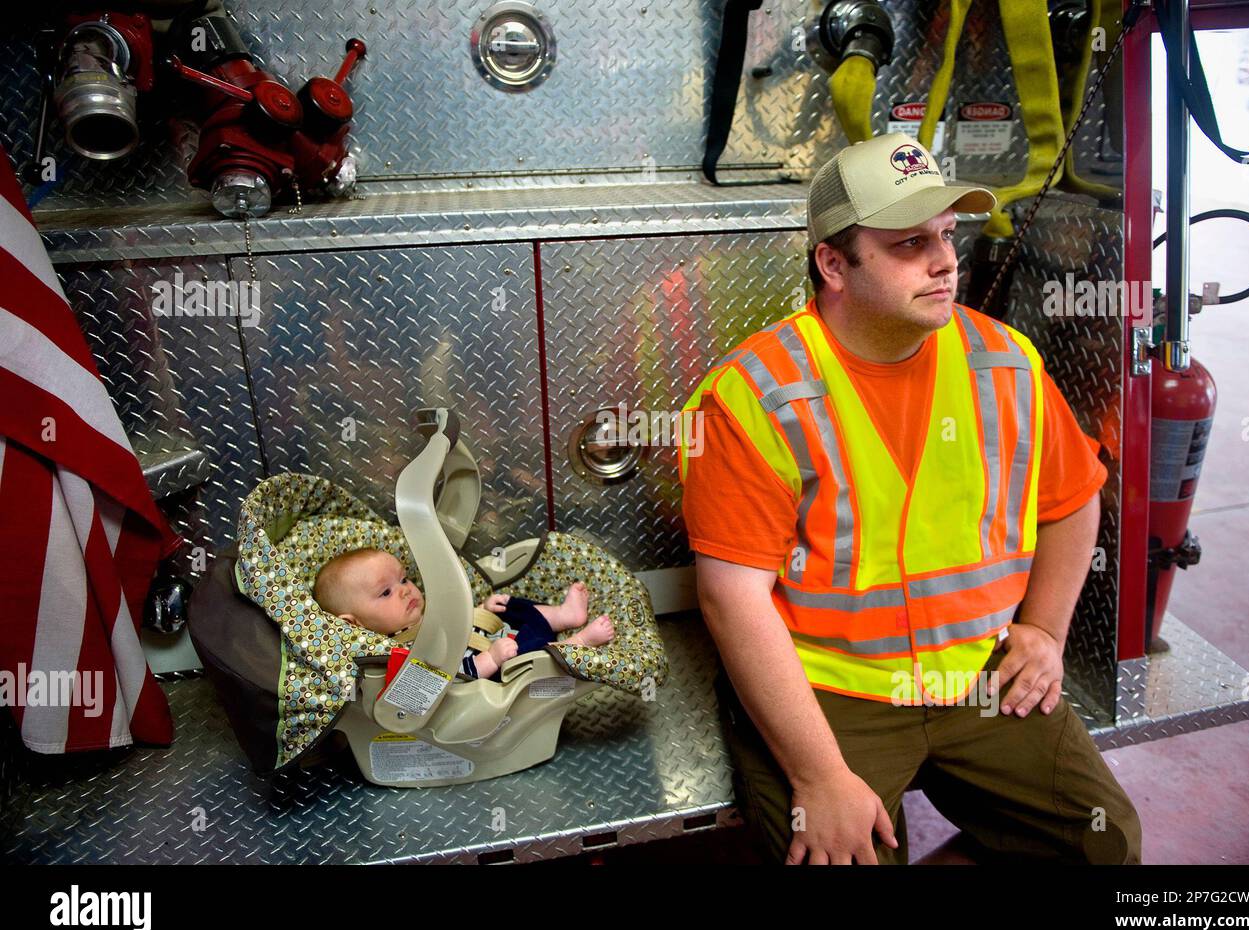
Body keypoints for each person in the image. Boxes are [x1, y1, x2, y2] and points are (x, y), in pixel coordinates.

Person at [678, 133, 1141, 865]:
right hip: (830, 689)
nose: (945, 260)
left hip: (978, 674)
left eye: (948, 234)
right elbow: (732, 598)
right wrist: (820, 774)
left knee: (1102, 845)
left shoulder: (1006, 363)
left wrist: (1046, 631)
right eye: (908, 243)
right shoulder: (756, 396)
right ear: (833, 263)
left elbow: (1075, 500)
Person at [312, 547, 614, 680]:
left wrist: (481, 612)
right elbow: (448, 678)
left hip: (494, 634)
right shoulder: (397, 653)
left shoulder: (416, 610)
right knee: (534, 661)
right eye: (386, 592)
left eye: (404, 579)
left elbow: (454, 620)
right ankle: (578, 646)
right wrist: (492, 659)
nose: (405, 590)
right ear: (354, 623)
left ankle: (564, 615)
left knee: (511, 606)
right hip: (498, 668)